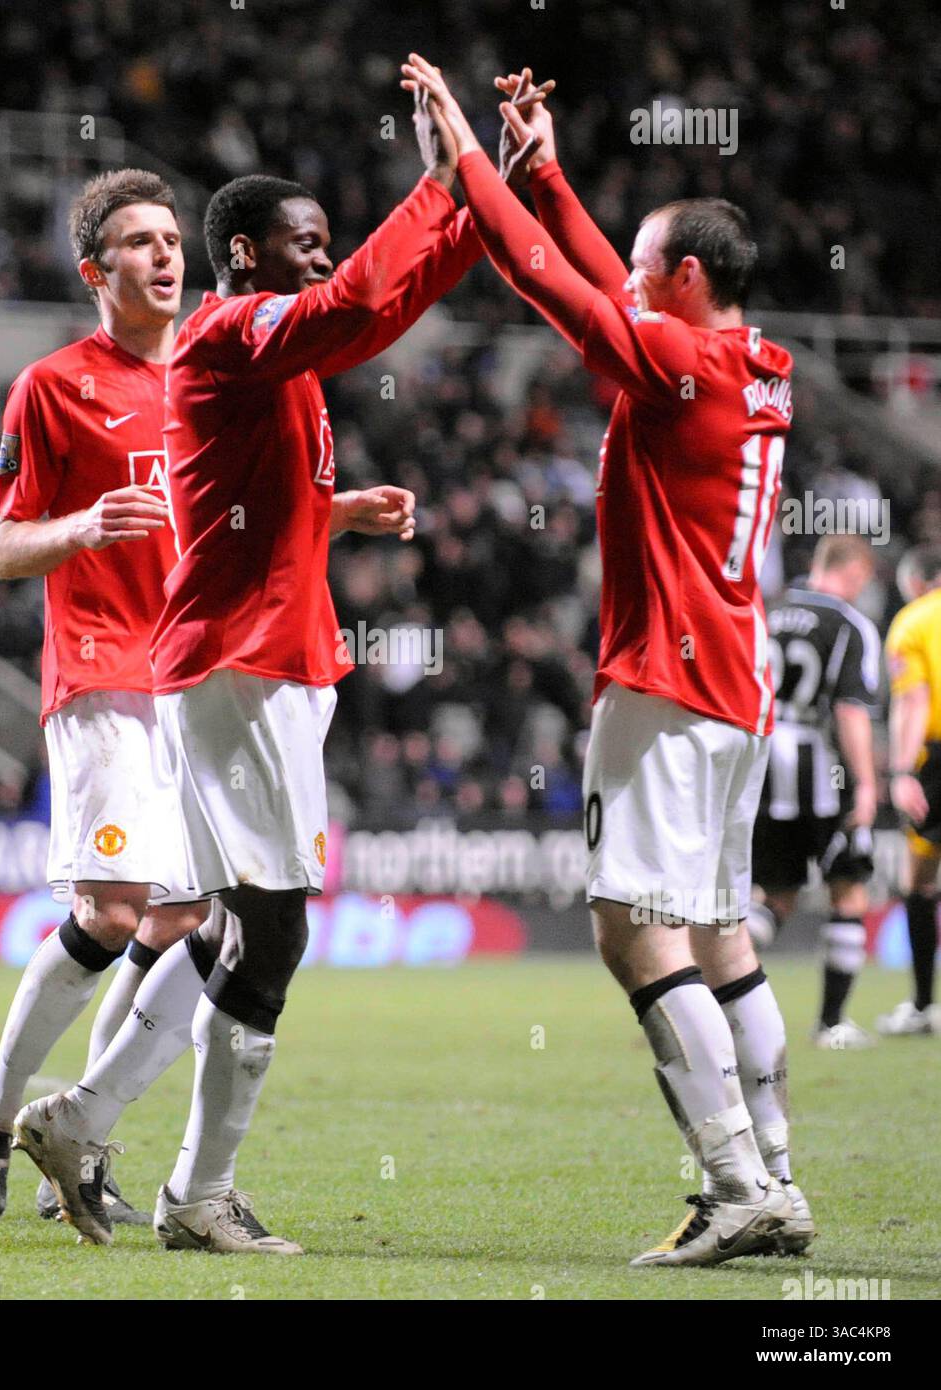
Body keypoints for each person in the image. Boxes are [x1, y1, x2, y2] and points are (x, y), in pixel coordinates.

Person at [14, 86, 496, 1251]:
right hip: (239, 665)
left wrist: (480, 200)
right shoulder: (234, 333)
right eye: (303, 239)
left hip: (257, 661)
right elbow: (361, 307)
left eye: (329, 239)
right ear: (245, 253)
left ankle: (83, 1122)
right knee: (273, 935)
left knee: (236, 928)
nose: (322, 256)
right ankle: (191, 1193)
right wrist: (448, 184)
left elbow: (359, 322)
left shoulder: (269, 356)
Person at [402, 55, 808, 1266]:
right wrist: (551, 170)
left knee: (633, 927)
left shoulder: (679, 371)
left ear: (683, 280)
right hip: (733, 686)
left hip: (666, 679)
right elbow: (594, 275)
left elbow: (545, 278)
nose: (620, 285)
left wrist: (472, 159)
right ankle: (773, 1175)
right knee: (720, 932)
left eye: (640, 270)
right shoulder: (741, 365)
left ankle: (734, 1183)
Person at [0, 168, 413, 1225]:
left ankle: (83, 1131)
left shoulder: (225, 359)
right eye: (138, 243)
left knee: (191, 919)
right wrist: (79, 528)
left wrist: (338, 514)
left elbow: (248, 517)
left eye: (171, 237)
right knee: (114, 911)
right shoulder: (54, 384)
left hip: (203, 670)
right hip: (109, 665)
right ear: (93, 270)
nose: (164, 255)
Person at [748, 536, 881, 1049]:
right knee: (848, 887)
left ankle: (714, 993)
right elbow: (850, 710)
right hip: (819, 770)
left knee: (774, 895)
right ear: (853, 572)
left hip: (761, 764)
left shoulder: (768, 612)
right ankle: (831, 1023)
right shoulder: (848, 624)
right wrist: (867, 782)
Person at [876, 543, 941, 1036]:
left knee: (919, 878)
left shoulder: (914, 622)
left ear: (918, 581)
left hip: (936, 759)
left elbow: (913, 701)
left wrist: (899, 771)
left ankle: (922, 1006)